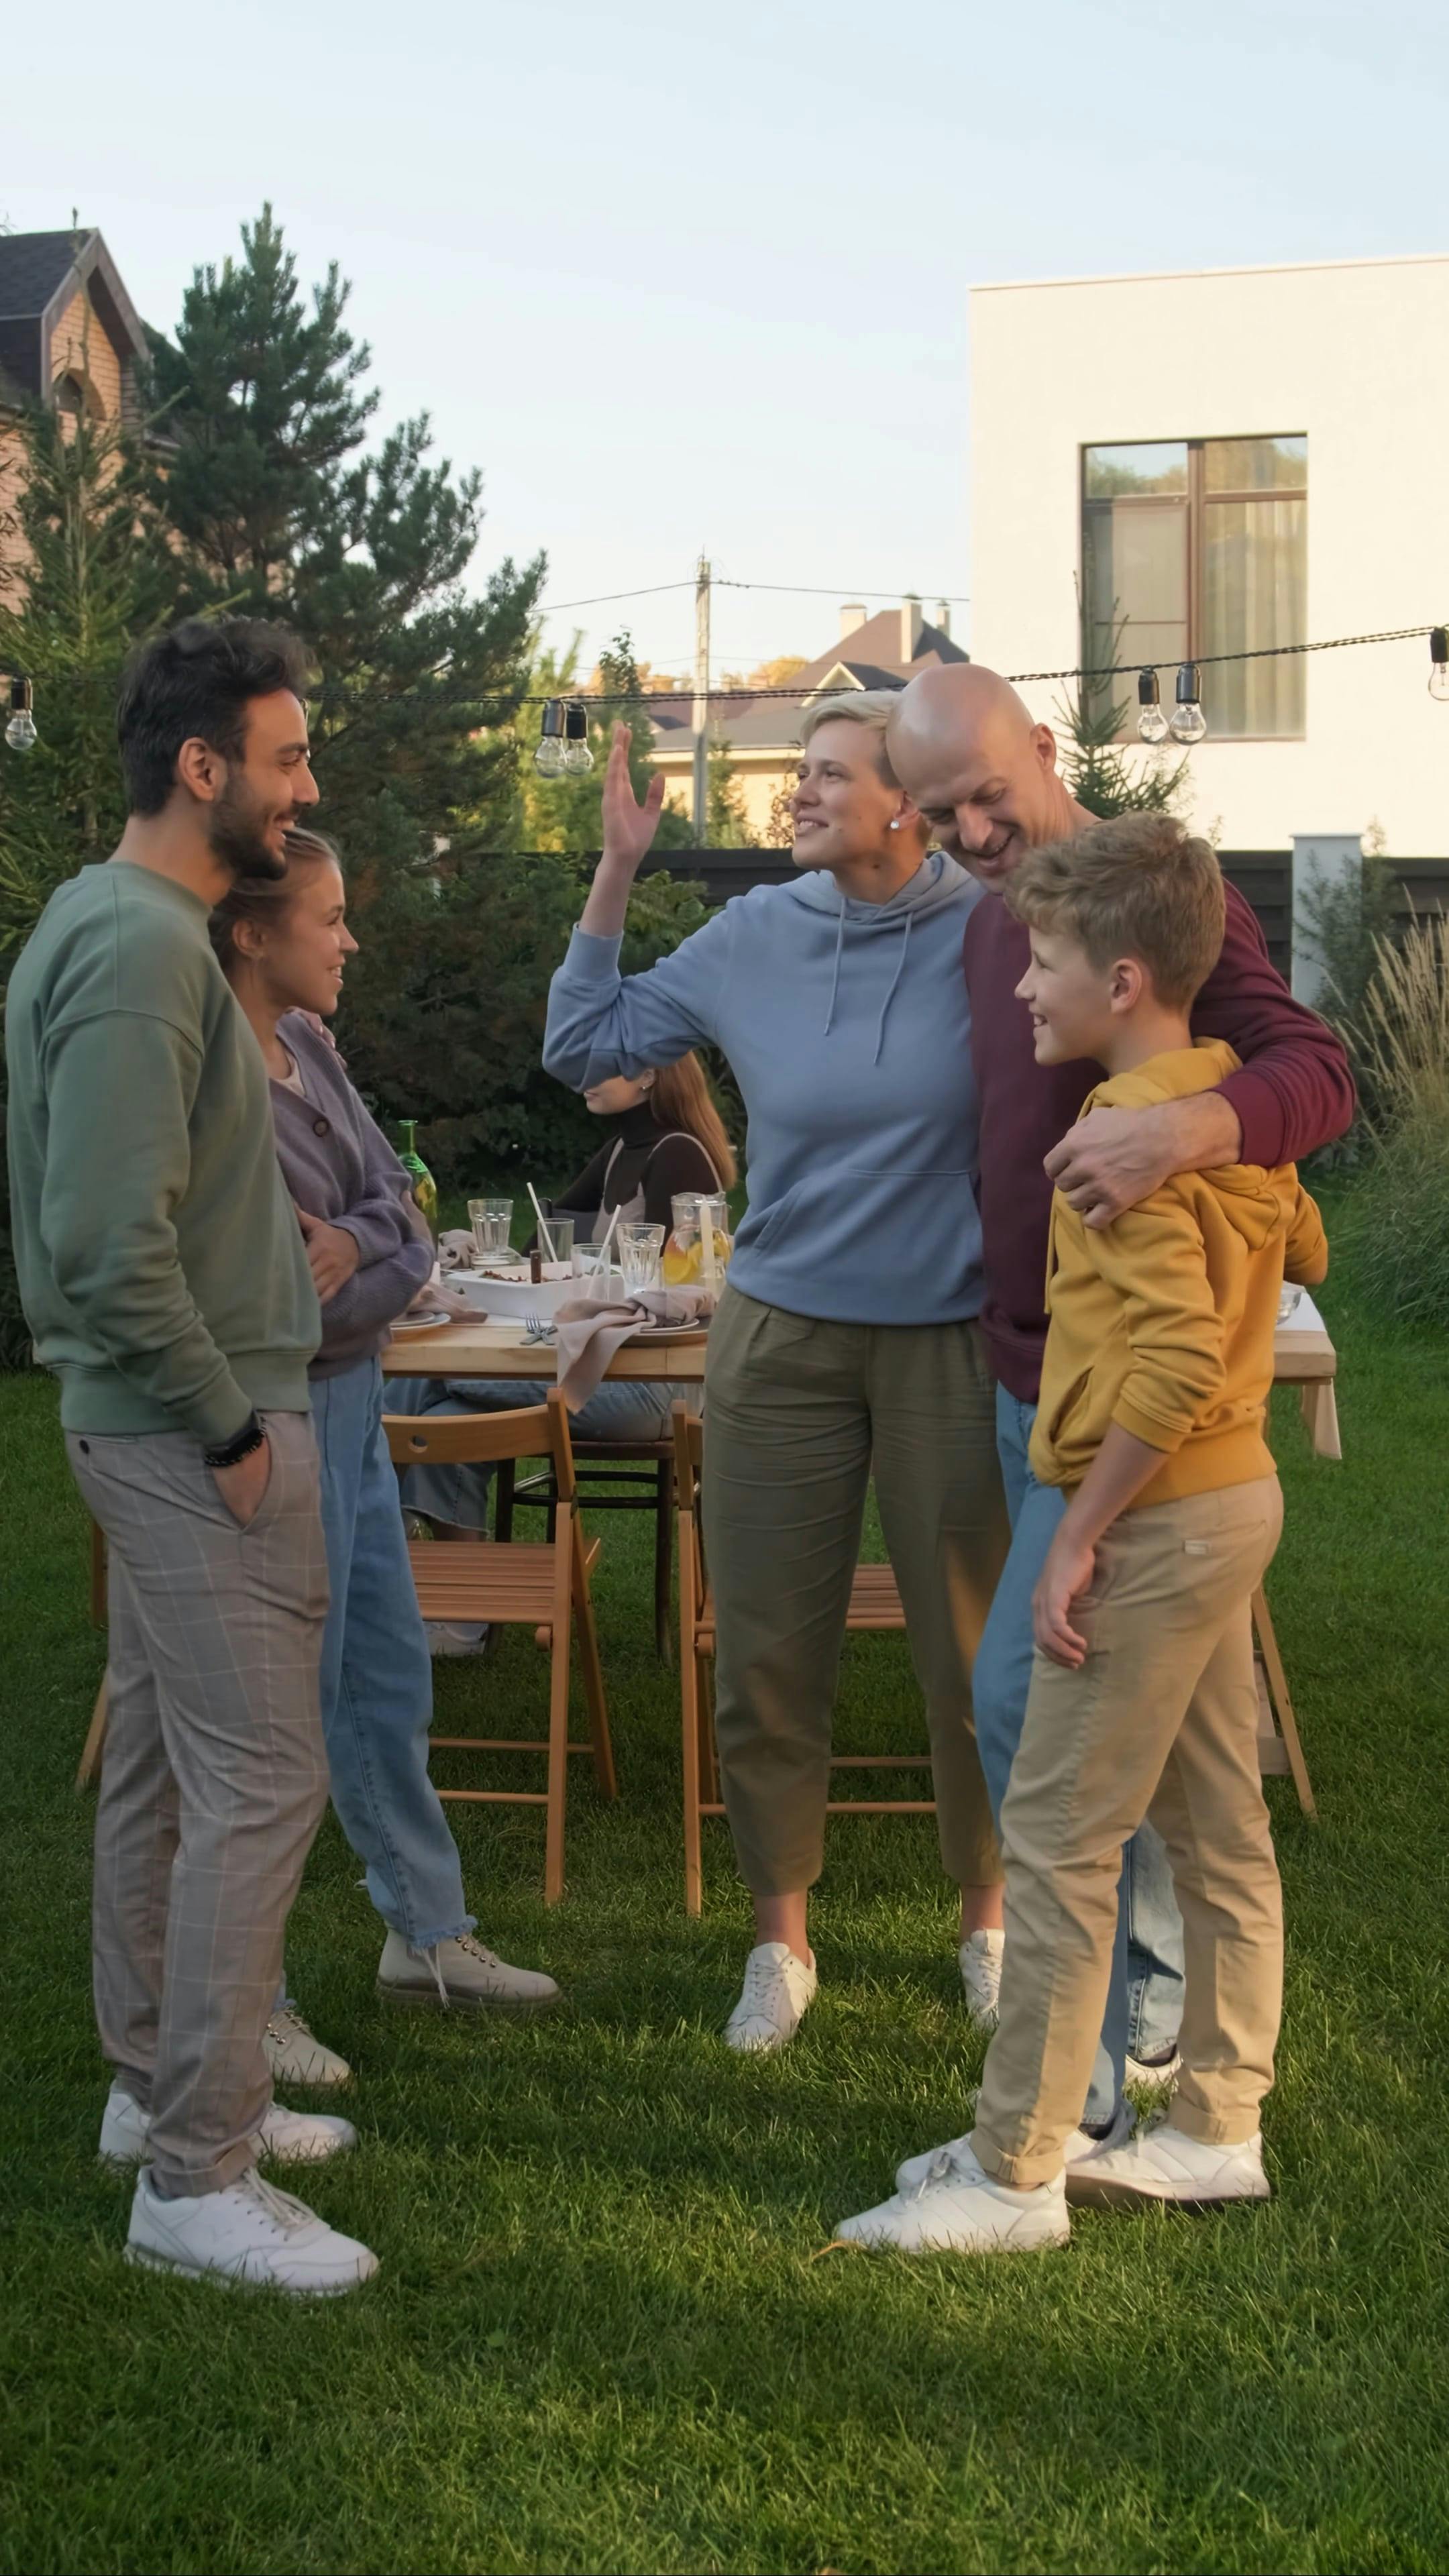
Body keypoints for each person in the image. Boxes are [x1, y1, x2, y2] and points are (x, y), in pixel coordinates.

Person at [837, 813, 1328, 2252]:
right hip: (1237, 1496)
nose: (1019, 987)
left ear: (1124, 979)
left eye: (1042, 960)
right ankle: (1217, 2125)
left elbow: (1171, 1364)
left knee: (1056, 1840)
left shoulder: (1115, 1143)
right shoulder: (1223, 1090)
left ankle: (1015, 2172)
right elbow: (1301, 1244)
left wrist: (1075, 1533)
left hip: (1163, 1515)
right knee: (1217, 1823)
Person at [543, 702, 1010, 2053]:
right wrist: (618, 868)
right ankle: (779, 1942)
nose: (795, 798)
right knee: (763, 1648)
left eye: (824, 777)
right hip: (783, 1337)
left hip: (945, 1335)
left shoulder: (988, 931)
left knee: (969, 1651)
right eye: (795, 773)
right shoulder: (755, 935)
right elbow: (586, 1047)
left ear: (902, 804)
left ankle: (986, 1921)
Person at [5, 619, 378, 2296]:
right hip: (191, 1426)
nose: (307, 788)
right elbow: (99, 1235)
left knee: (166, 1770)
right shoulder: (143, 946)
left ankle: (153, 2089)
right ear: (203, 767)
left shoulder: (134, 928)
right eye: (287, 758)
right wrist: (230, 1424)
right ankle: (198, 2177)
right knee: (260, 1783)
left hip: (180, 1415)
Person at [210, 826, 561, 2035]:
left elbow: (400, 1218)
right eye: (330, 919)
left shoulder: (307, 1043)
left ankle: (426, 1935)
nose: (351, 939)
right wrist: (368, 1255)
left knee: (382, 1671)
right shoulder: (219, 1076)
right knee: (274, 1714)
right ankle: (249, 1996)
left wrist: (357, 1240)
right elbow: (271, 1291)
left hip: (356, 1394)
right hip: (277, 1405)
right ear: (254, 935)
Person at [388, 1050, 733, 1560]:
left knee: (427, 1375)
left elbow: (665, 1298)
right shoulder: (621, 1150)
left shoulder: (679, 1155)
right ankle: (461, 1616)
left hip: (649, 1386)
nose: (583, 1078)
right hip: (595, 1366)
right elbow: (544, 1247)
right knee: (448, 1420)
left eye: (603, 1064)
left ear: (649, 1074)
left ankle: (364, 1524)